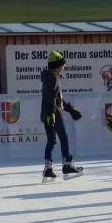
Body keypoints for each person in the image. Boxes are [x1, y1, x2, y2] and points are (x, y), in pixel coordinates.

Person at [39, 50, 84, 183]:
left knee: (51, 141)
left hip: (48, 114)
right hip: (54, 114)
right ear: (57, 66)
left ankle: (48, 169)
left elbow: (58, 99)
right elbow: (52, 98)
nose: (63, 68)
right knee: (64, 138)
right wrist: (53, 113)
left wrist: (71, 110)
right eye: (62, 66)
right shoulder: (53, 77)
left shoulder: (49, 77)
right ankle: (67, 166)